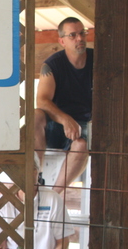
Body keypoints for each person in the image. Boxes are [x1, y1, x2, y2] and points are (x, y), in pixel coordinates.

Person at [34, 17, 92, 196]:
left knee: (82, 144)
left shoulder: (99, 61)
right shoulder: (52, 65)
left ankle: (54, 194)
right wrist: (65, 119)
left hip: (84, 127)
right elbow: (42, 100)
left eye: (82, 33)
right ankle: (35, 178)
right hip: (55, 126)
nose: (79, 39)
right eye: (72, 35)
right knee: (36, 115)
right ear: (62, 41)